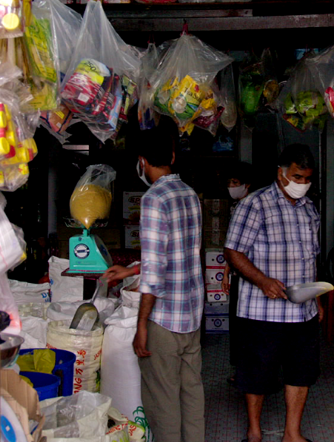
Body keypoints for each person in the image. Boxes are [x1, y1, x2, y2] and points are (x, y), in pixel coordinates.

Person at [224, 144, 323, 442]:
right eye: (297, 177)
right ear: (280, 174)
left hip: (302, 311)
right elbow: (233, 251)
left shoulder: (309, 209)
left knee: (300, 373)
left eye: (307, 179)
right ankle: (254, 432)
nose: (302, 184)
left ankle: (292, 433)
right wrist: (262, 280)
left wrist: (317, 299)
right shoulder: (254, 204)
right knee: (256, 373)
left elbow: (311, 258)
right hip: (262, 310)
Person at [133, 126, 205, 442]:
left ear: (142, 161)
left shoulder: (153, 199)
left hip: (163, 320)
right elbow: (181, 252)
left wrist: (142, 324)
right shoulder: (190, 194)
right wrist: (130, 270)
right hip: (191, 315)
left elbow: (154, 270)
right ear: (173, 156)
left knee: (163, 402)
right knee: (192, 393)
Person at [222, 161, 254, 383]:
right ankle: (242, 369)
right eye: (229, 183)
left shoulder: (252, 208)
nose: (231, 187)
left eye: (235, 182)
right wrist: (226, 271)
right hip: (238, 274)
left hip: (251, 276)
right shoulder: (236, 207)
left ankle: (249, 370)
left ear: (247, 184)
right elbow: (232, 246)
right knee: (237, 322)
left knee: (247, 325)